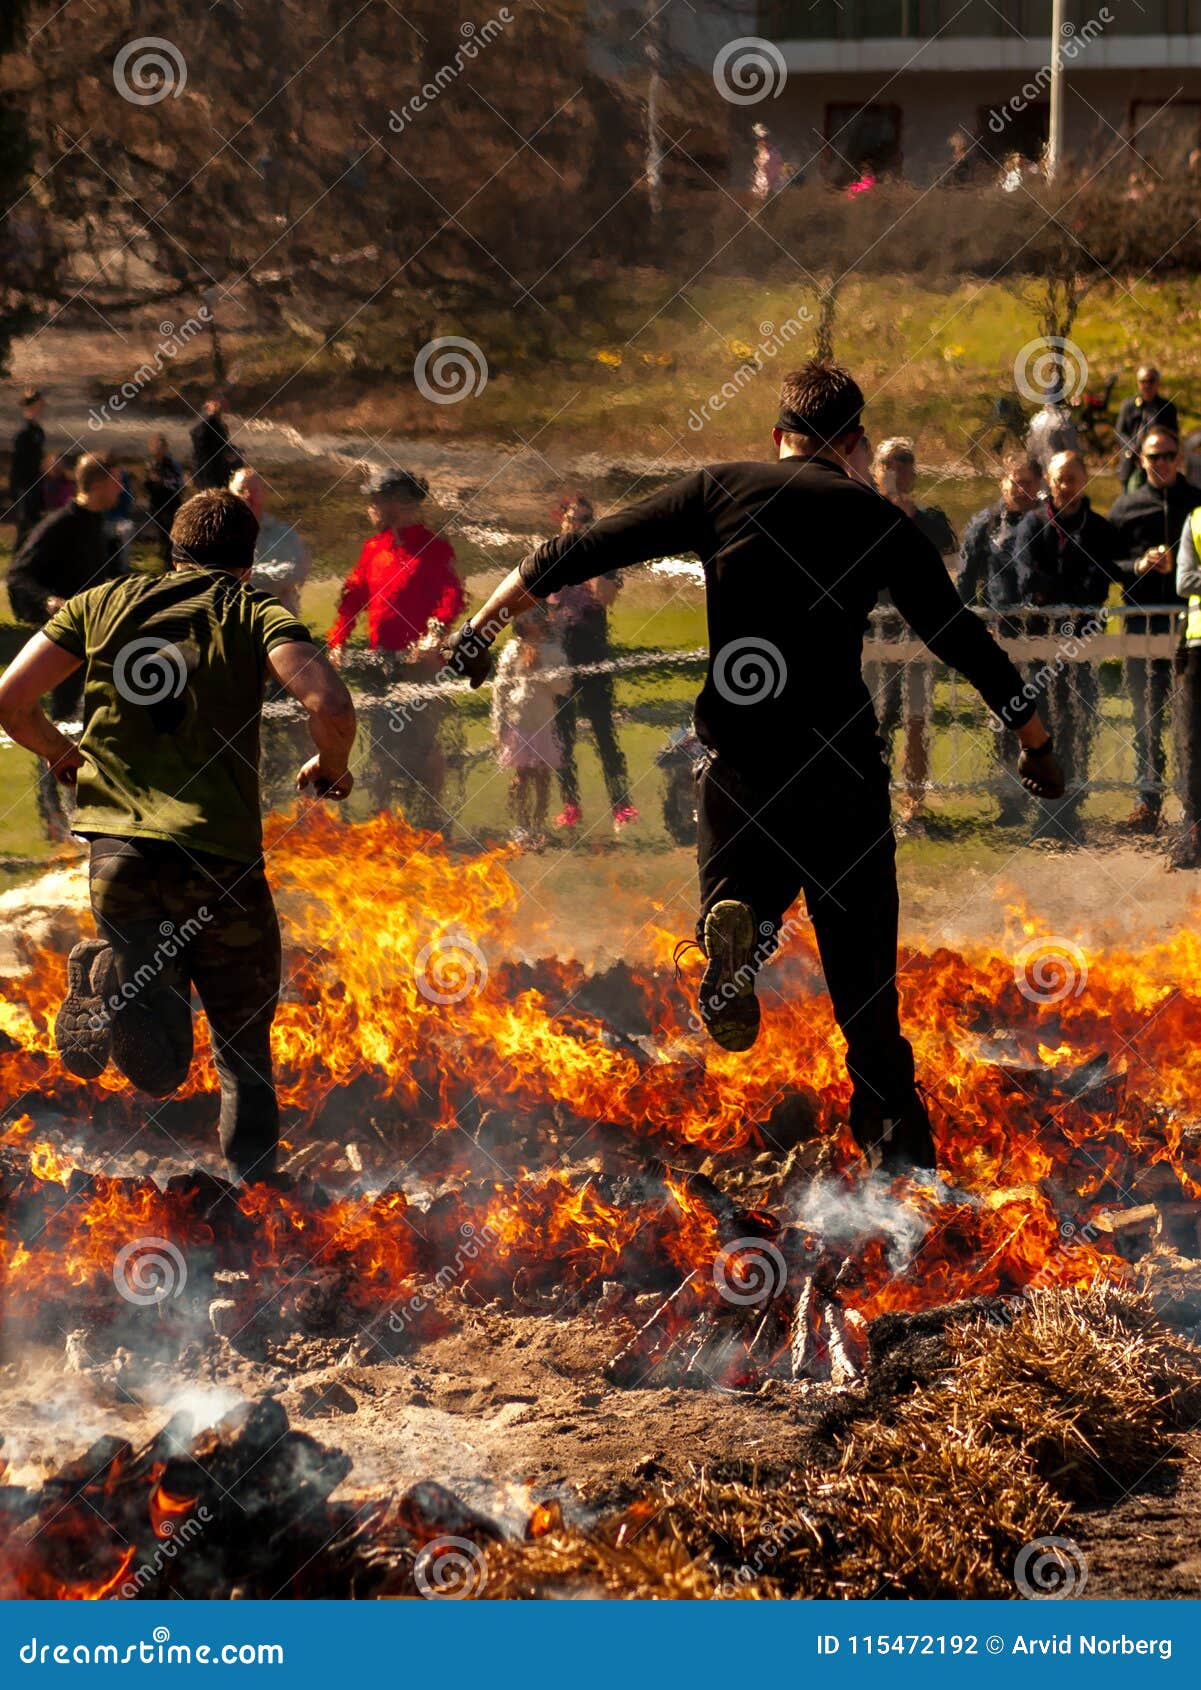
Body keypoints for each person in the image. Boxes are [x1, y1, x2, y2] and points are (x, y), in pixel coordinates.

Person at [444, 361, 1061, 1175]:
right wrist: (1033, 740)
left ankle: (734, 938)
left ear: (777, 435)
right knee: (866, 996)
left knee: (741, 906)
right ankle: (901, 1164)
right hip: (840, 772)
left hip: (740, 767)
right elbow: (958, 635)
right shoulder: (876, 518)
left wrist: (481, 627)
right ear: (853, 443)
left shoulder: (718, 490)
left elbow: (576, 550)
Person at [0, 489, 356, 1186]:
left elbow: (10, 698)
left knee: (161, 1063)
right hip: (219, 864)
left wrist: (60, 754)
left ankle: (113, 973)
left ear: (172, 552)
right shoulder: (254, 610)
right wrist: (331, 768)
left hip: (118, 861)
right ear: (247, 563)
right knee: (241, 1047)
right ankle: (256, 1190)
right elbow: (331, 703)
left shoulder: (100, 602)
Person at [327, 469, 464, 825]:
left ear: (400, 502)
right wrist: (338, 640)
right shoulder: (373, 548)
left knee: (423, 741)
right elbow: (352, 598)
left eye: (376, 499)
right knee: (380, 743)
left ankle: (432, 817)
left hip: (420, 664)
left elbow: (451, 595)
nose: (370, 506)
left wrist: (434, 633)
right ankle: (382, 817)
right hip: (380, 662)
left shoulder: (434, 548)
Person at [1014, 450, 1122, 844]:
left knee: (1078, 726)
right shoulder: (1032, 525)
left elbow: (1099, 585)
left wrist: (1058, 592)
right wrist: (1070, 592)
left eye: (1072, 478)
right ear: (1050, 480)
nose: (1065, 486)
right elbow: (1028, 582)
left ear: (1085, 480)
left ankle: (1070, 811)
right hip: (1041, 646)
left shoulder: (1100, 529)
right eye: (1059, 478)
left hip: (1082, 647)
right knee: (1042, 726)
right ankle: (1043, 815)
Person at [1107, 427, 1199, 834]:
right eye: (1153, 456)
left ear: (1178, 458)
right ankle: (1146, 801)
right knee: (1146, 715)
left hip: (1188, 628)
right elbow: (1105, 565)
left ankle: (1191, 807)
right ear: (1140, 459)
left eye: (1167, 455)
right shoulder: (1125, 507)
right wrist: (1138, 565)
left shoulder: (1196, 503)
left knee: (1189, 720)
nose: (1161, 462)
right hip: (1141, 624)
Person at [869, 439, 957, 828]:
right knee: (871, 721)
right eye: (888, 463)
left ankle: (913, 806)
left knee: (916, 721)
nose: (896, 471)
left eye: (904, 463)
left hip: (918, 636)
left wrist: (911, 518)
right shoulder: (860, 513)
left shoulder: (931, 520)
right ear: (875, 470)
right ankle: (871, 802)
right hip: (872, 636)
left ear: (914, 473)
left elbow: (953, 568)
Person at [958, 456, 1045, 824]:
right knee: (1004, 721)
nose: (1022, 489)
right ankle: (1010, 802)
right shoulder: (985, 524)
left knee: (1045, 717)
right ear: (1002, 482)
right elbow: (965, 582)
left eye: (1029, 482)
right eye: (1015, 481)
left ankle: (1050, 802)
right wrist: (971, 627)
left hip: (1046, 638)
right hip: (1001, 638)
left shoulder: (1048, 521)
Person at [547, 493, 637, 835]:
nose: (580, 526)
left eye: (586, 520)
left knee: (603, 730)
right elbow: (537, 605)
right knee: (563, 735)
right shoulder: (548, 555)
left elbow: (606, 596)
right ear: (561, 520)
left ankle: (621, 805)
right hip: (558, 656)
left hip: (594, 653)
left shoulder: (603, 555)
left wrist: (589, 561)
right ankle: (570, 805)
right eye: (574, 519)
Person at [491, 606, 570, 848]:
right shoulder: (512, 650)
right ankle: (522, 825)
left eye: (534, 617)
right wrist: (499, 723)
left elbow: (564, 687)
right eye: (525, 617)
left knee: (543, 777)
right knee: (523, 776)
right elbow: (501, 688)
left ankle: (538, 826)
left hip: (543, 723)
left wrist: (542, 671)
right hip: (519, 722)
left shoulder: (553, 651)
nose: (529, 621)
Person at [230, 466, 312, 616]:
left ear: (264, 495)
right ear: (231, 495)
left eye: (254, 491)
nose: (248, 496)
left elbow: (293, 572)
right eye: (241, 490)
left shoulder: (284, 534)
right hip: (234, 621)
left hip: (277, 621)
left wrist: (246, 577)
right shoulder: (218, 535)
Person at [1115, 366, 1179, 492]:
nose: (1147, 385)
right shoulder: (1128, 405)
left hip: (1158, 462)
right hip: (1132, 462)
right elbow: (1119, 432)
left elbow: (1173, 436)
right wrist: (1133, 449)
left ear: (1158, 383)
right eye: (1143, 381)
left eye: (1151, 381)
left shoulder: (1167, 407)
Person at [9, 387, 46, 542]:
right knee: (24, 523)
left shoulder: (38, 430)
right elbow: (18, 462)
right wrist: (18, 488)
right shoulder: (23, 431)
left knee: (35, 523)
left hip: (35, 481)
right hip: (24, 484)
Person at [143, 434, 185, 567]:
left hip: (171, 502)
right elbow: (146, 484)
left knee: (172, 533)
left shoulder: (173, 464)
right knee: (161, 533)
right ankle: (165, 559)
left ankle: (173, 560)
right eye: (155, 447)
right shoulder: (150, 464)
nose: (157, 450)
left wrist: (162, 481)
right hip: (156, 503)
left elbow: (178, 484)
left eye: (160, 447)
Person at [189, 396, 243, 491]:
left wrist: (233, 451)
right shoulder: (207, 425)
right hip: (209, 470)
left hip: (215, 469)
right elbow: (199, 439)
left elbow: (223, 444)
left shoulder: (219, 425)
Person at [1026, 386, 1078, 473]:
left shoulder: (1037, 418)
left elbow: (1031, 447)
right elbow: (1071, 445)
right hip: (1059, 467)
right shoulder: (1063, 419)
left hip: (1041, 467)